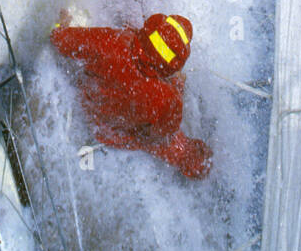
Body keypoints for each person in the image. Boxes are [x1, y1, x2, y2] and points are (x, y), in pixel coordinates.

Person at [51, 12, 212, 179]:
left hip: (95, 117)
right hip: (124, 136)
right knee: (184, 151)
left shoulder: (109, 42)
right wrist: (178, 86)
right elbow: (162, 135)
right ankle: (203, 174)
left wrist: (60, 26)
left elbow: (60, 40)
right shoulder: (169, 99)